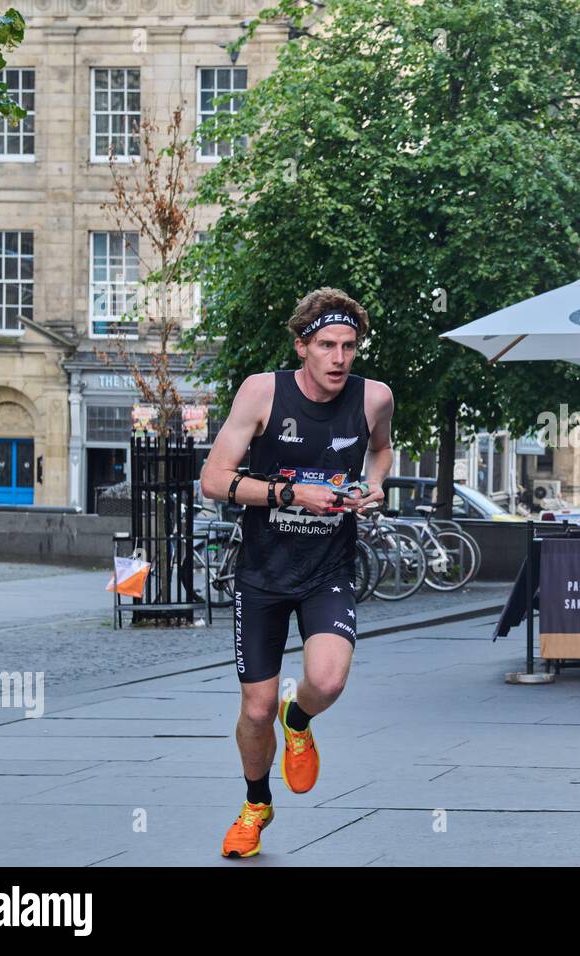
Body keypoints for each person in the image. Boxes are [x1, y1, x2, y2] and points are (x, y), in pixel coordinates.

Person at [199, 288, 393, 859]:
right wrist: (290, 493)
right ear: (302, 346)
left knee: (327, 681)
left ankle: (299, 716)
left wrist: (375, 483)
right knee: (255, 709)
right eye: (327, 345)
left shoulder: (374, 397)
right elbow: (214, 479)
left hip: (328, 567)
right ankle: (256, 804)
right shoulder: (263, 391)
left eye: (349, 346)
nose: (339, 358)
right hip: (262, 572)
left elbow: (382, 449)